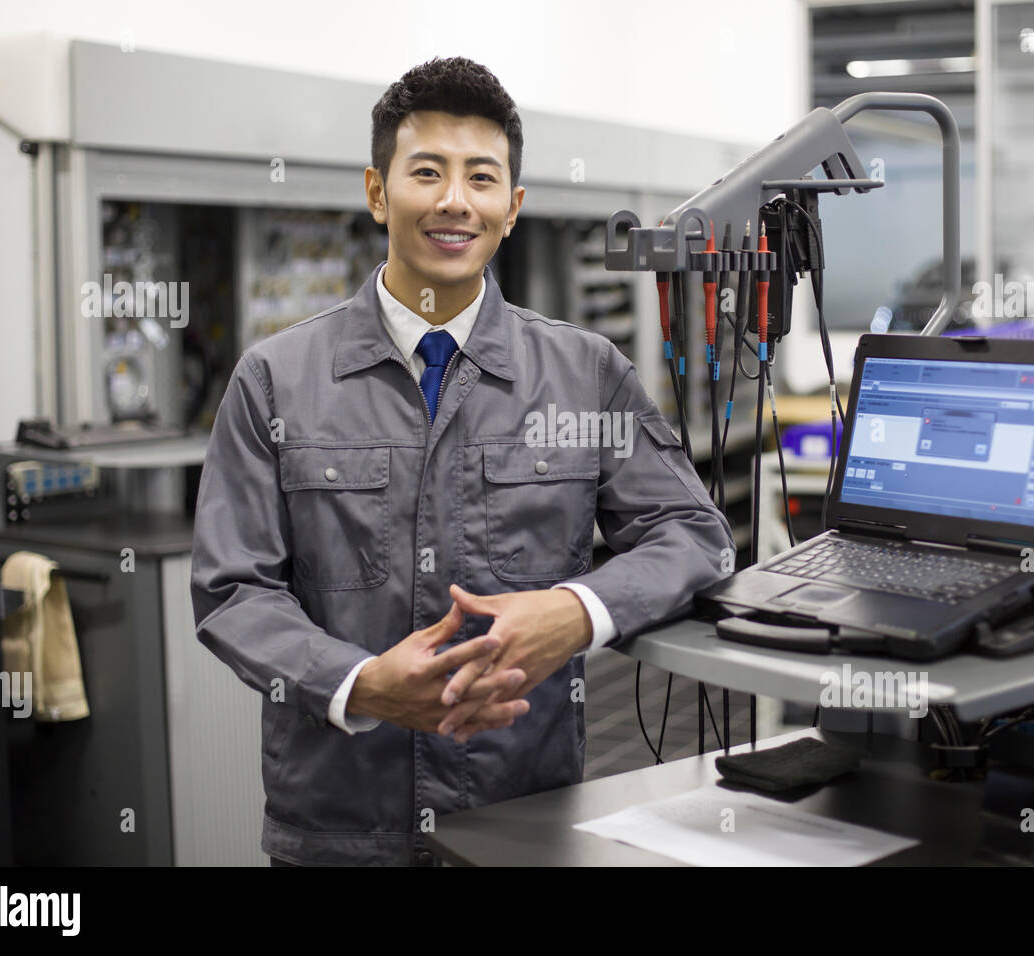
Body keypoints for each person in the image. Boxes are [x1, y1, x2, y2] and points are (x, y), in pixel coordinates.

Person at [190, 56, 734, 866]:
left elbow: (694, 534)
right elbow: (233, 591)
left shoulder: (586, 376)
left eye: (481, 178)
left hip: (525, 818)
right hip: (342, 832)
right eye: (427, 173)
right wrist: (361, 681)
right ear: (378, 192)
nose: (454, 200)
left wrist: (574, 611)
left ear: (511, 209)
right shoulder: (276, 381)